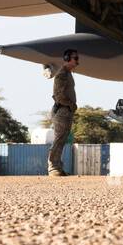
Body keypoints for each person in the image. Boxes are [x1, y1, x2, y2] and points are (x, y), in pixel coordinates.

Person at [48, 48, 78, 176]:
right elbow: (58, 96)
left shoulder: (68, 74)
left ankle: (57, 167)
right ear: (67, 59)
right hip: (62, 111)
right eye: (75, 58)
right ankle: (53, 167)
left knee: (62, 139)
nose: (77, 62)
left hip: (66, 111)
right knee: (59, 139)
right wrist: (72, 104)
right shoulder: (62, 74)